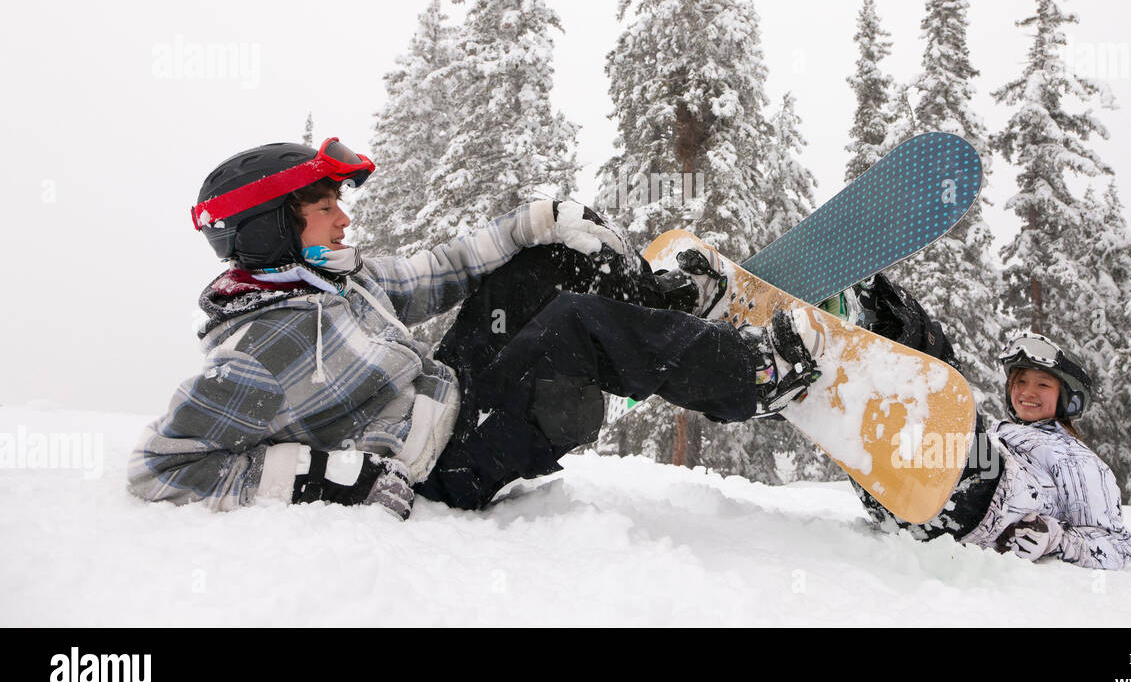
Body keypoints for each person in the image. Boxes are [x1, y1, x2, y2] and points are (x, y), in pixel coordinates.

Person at [128, 138, 824, 518]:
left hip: (454, 396)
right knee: (572, 328)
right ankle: (755, 377)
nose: (344, 219)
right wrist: (327, 478)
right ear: (268, 230)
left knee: (541, 263)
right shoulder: (257, 352)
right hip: (442, 468)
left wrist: (535, 221)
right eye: (322, 208)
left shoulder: (339, 279)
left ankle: (671, 311)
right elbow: (161, 467)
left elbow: (441, 271)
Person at [841, 278, 1131, 570]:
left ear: (1064, 397)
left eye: (1042, 384)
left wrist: (1056, 538)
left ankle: (877, 299)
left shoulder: (1074, 456)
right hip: (905, 511)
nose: (1027, 392)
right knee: (874, 428)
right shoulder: (999, 436)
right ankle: (821, 369)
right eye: (1020, 382)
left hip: (984, 505)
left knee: (939, 379)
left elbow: (1116, 547)